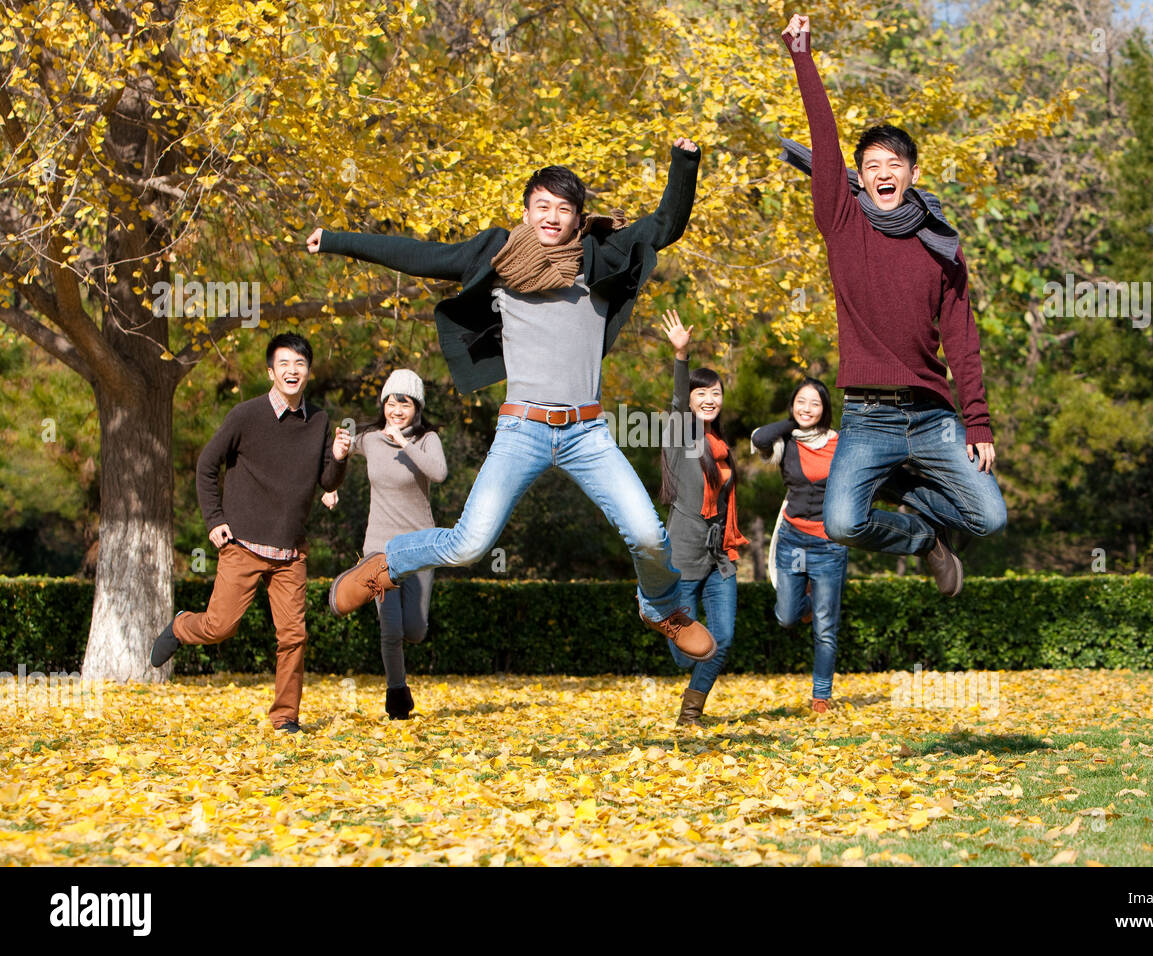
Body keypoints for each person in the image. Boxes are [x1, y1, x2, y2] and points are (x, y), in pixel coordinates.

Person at [306, 138, 716, 662]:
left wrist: (684, 163)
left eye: (563, 209)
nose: (552, 217)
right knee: (469, 544)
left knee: (648, 535)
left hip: (586, 432)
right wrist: (338, 240)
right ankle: (384, 565)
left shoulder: (600, 258)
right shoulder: (497, 257)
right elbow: (420, 255)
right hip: (522, 430)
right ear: (526, 211)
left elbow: (665, 225)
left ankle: (661, 609)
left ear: (577, 217)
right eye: (541, 206)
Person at [777, 13, 1007, 597]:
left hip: (932, 415)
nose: (882, 173)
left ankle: (911, 493)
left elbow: (962, 338)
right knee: (843, 522)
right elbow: (824, 145)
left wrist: (977, 421)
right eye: (871, 165)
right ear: (860, 176)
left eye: (893, 165)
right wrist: (804, 57)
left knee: (991, 517)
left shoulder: (941, 246)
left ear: (912, 174)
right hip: (868, 417)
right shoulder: (843, 223)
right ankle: (923, 540)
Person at [150, 333, 352, 733]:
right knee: (219, 627)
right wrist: (214, 521)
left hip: (291, 551)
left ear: (308, 372)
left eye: (300, 364)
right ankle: (179, 626)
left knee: (293, 635)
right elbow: (206, 466)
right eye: (284, 364)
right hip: (243, 543)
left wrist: (340, 459)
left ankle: (285, 717)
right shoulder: (246, 415)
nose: (292, 371)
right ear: (270, 372)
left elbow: (326, 479)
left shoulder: (320, 421)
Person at [322, 369, 447, 720]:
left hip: (420, 545)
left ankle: (398, 686)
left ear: (416, 407)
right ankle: (397, 697)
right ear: (383, 404)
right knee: (390, 628)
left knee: (415, 631)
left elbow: (439, 473)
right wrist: (332, 483)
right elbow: (338, 454)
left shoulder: (426, 440)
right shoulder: (371, 438)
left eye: (403, 403)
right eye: (390, 402)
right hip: (380, 549)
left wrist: (404, 442)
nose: (396, 409)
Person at [658, 309, 748, 726]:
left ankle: (690, 712)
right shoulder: (681, 435)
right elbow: (678, 400)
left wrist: (731, 545)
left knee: (725, 638)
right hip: (684, 559)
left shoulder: (720, 445)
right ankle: (660, 621)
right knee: (683, 654)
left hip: (718, 558)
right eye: (702, 393)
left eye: (716, 393)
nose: (710, 399)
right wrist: (682, 355)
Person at [751, 377, 847, 714]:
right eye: (801, 402)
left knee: (826, 626)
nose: (807, 408)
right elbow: (759, 438)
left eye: (815, 404)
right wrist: (793, 424)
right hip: (793, 542)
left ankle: (821, 695)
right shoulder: (785, 441)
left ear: (825, 409)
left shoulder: (840, 443)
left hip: (829, 546)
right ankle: (804, 607)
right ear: (793, 405)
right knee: (788, 616)